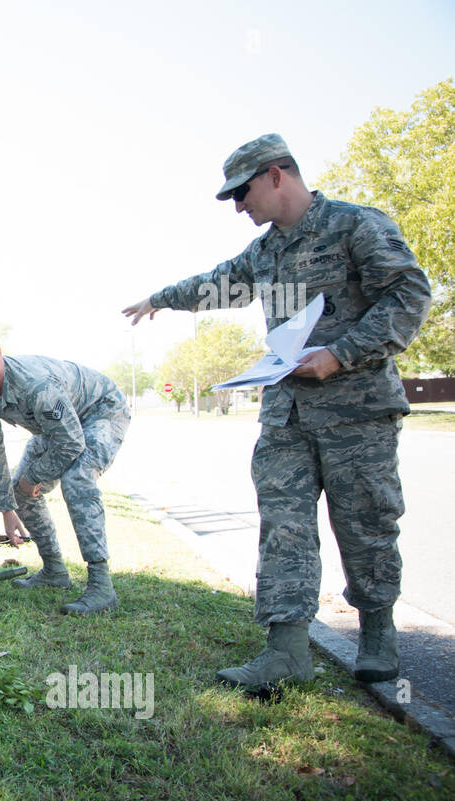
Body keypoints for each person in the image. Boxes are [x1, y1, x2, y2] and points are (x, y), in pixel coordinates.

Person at [122, 133, 430, 691]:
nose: (239, 207)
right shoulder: (265, 251)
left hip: (356, 414)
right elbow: (215, 283)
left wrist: (338, 355)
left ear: (277, 175)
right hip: (286, 416)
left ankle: (377, 634)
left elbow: (408, 297)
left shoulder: (357, 225)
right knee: (284, 530)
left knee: (365, 525)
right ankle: (286, 651)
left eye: (242, 193)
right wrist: (160, 298)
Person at [0, 326, 129, 616]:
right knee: (18, 490)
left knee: (77, 479)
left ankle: (101, 586)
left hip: (100, 411)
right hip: (56, 429)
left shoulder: (35, 384)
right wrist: (7, 508)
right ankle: (54, 571)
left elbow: (72, 443)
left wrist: (33, 477)